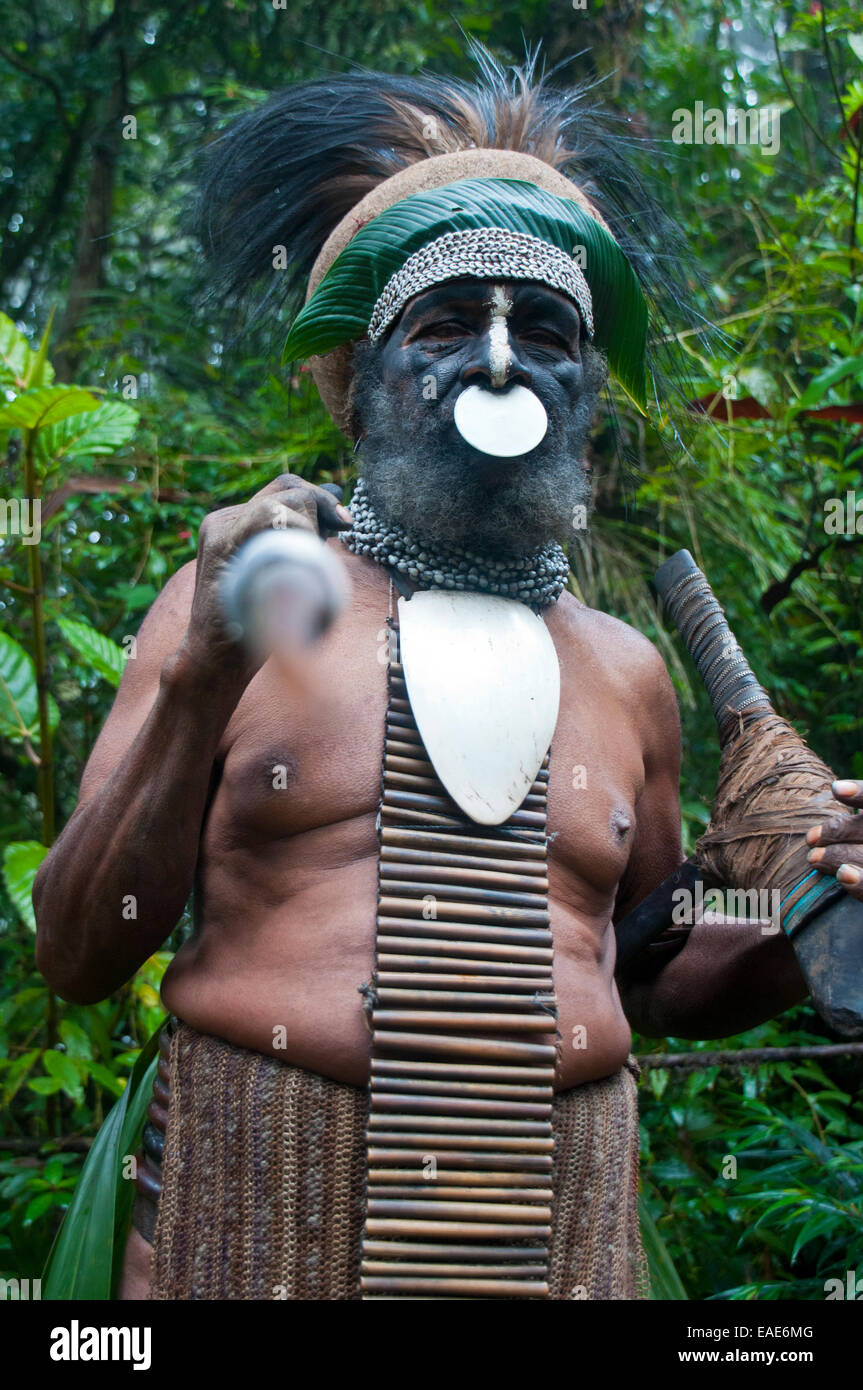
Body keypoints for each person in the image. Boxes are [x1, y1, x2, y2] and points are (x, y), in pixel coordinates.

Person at [33, 51, 863, 1301]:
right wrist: (206, 673)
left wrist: (803, 917)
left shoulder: (625, 671)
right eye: (443, 322)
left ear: (583, 390)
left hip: (557, 1254)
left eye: (543, 330)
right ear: (357, 389)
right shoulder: (236, 602)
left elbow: (640, 966)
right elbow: (80, 950)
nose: (497, 363)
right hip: (253, 1243)